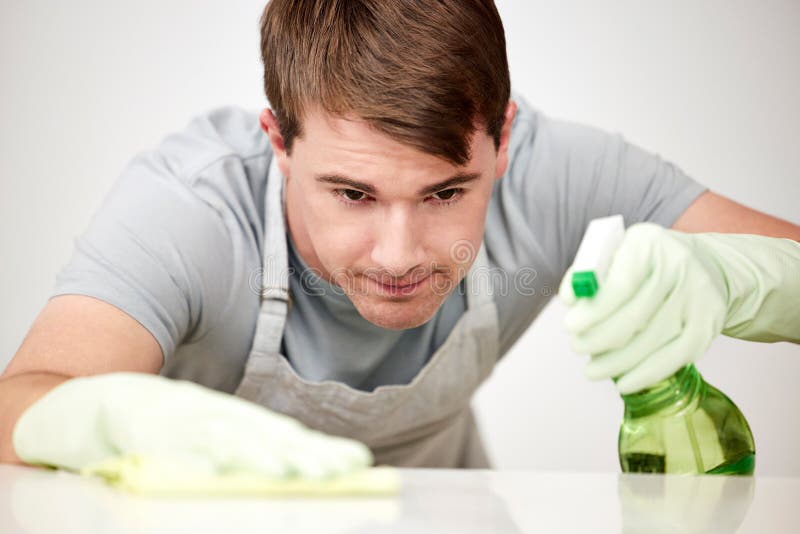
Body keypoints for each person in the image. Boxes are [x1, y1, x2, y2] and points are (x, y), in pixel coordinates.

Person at [2, 0, 798, 480]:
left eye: (447, 192)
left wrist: (732, 279)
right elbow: (18, 401)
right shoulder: (193, 211)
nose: (399, 254)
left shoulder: (560, 173)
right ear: (278, 142)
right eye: (353, 194)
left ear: (503, 139)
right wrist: (108, 419)